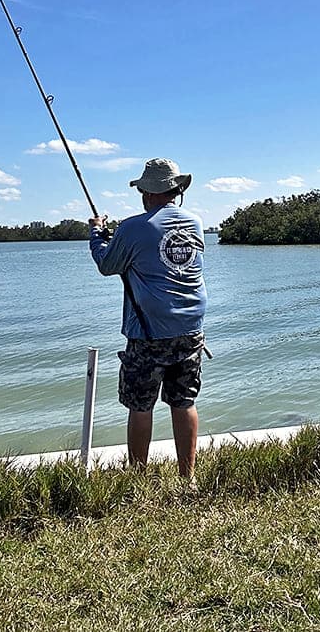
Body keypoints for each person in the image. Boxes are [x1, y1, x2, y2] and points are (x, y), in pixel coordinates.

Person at [88, 158, 207, 480]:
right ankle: (188, 478)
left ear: (145, 191)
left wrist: (98, 234)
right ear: (177, 189)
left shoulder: (132, 226)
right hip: (191, 328)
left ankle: (138, 477)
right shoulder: (194, 222)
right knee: (183, 401)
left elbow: (107, 264)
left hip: (149, 332)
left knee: (141, 405)